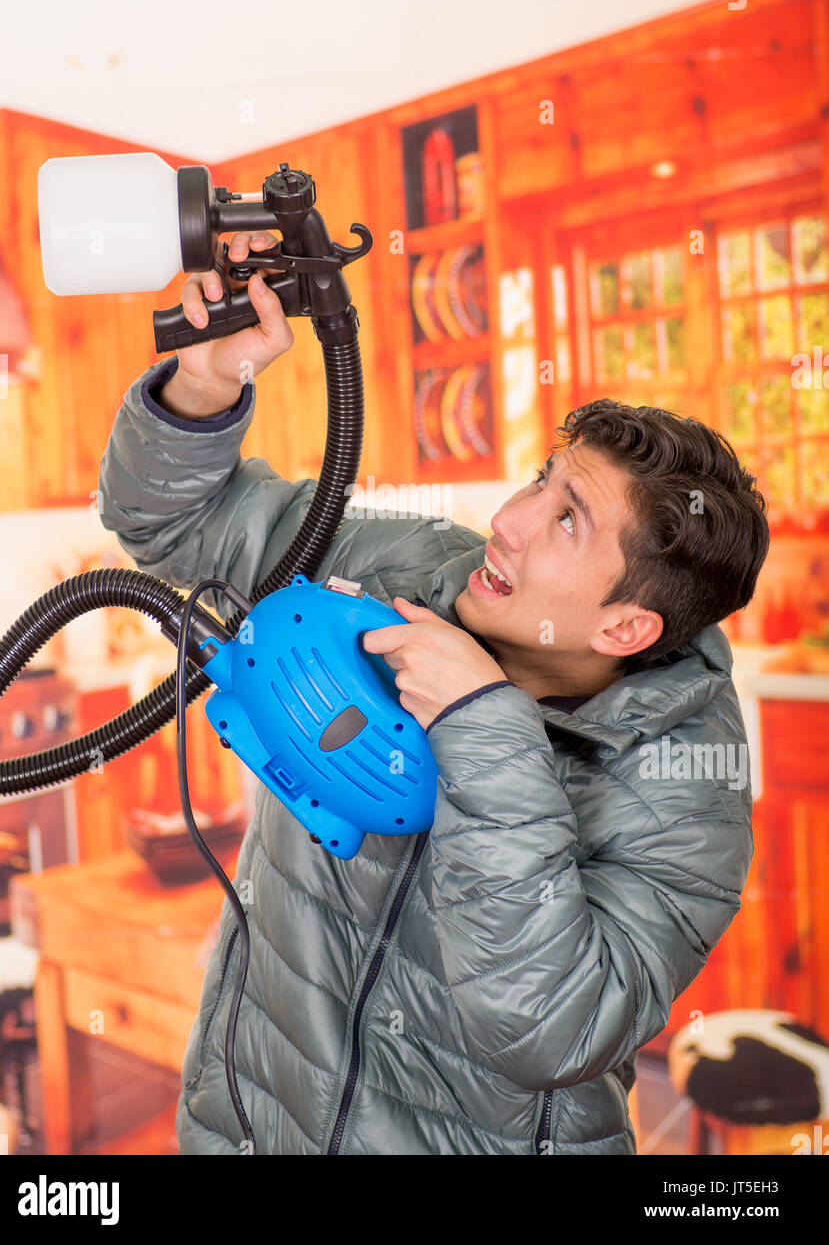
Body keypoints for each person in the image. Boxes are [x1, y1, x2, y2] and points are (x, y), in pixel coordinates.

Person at [97, 231, 770, 1155]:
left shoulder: (688, 795)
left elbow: (550, 1027)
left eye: (565, 519)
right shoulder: (401, 565)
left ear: (623, 629)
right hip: (251, 1125)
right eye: (544, 480)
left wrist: (480, 727)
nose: (506, 520)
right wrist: (205, 386)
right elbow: (172, 521)